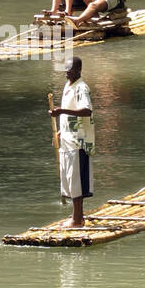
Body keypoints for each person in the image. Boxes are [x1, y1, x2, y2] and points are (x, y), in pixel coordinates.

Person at [49, 57, 95, 227]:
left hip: (78, 142)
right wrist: (62, 130)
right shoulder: (68, 86)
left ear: (79, 70)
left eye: (71, 70)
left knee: (76, 180)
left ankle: (77, 220)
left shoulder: (81, 88)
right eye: (66, 70)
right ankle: (77, 216)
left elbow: (86, 111)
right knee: (69, 178)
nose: (67, 73)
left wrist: (61, 111)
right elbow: (72, 115)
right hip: (68, 140)